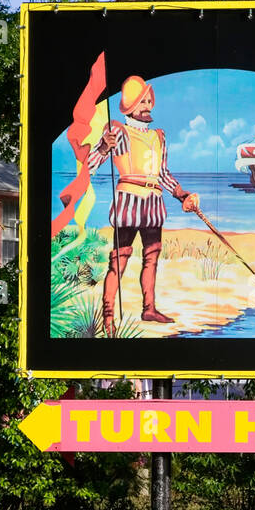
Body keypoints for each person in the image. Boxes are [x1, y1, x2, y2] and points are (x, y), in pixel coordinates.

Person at [86, 75, 199, 335]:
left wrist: (181, 194)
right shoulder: (118, 131)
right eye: (142, 101)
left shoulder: (159, 137)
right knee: (119, 262)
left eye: (149, 101)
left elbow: (163, 173)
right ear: (129, 106)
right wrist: (103, 147)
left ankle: (149, 308)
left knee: (152, 259)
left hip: (153, 203)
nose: (147, 106)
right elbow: (91, 165)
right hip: (129, 202)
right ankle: (109, 317)